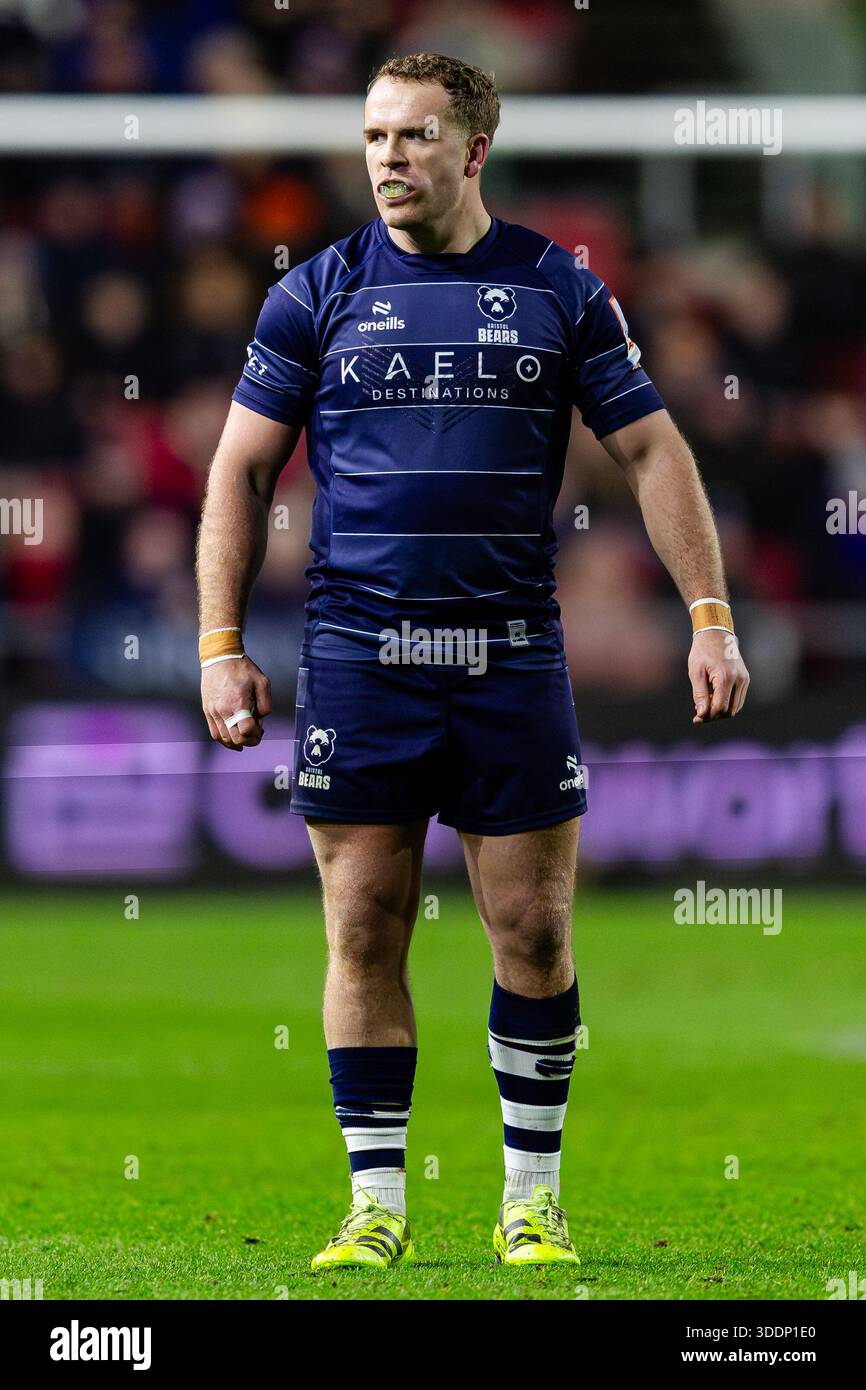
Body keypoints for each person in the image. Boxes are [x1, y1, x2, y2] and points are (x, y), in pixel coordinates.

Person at [196, 52, 750, 1271]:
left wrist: (707, 613)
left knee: (536, 931)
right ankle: (377, 1205)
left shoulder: (558, 288)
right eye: (374, 135)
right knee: (362, 926)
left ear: (472, 150)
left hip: (508, 655)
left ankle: (530, 1200)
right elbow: (239, 471)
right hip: (358, 657)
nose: (388, 156)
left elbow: (653, 453)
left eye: (414, 135)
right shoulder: (314, 295)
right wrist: (220, 644)